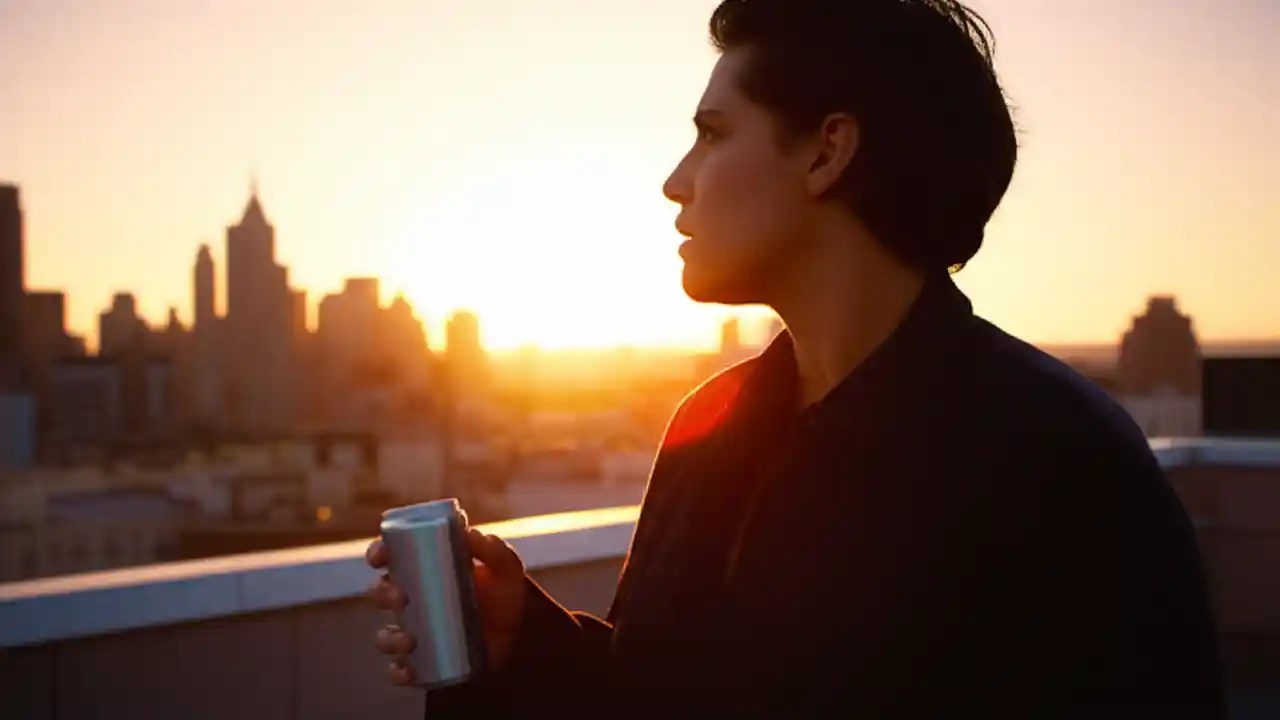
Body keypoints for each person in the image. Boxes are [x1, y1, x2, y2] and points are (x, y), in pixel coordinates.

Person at [366, 0, 1225, 715]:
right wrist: (529, 643)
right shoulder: (713, 426)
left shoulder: (1060, 462)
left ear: (826, 151)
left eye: (712, 132)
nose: (677, 178)